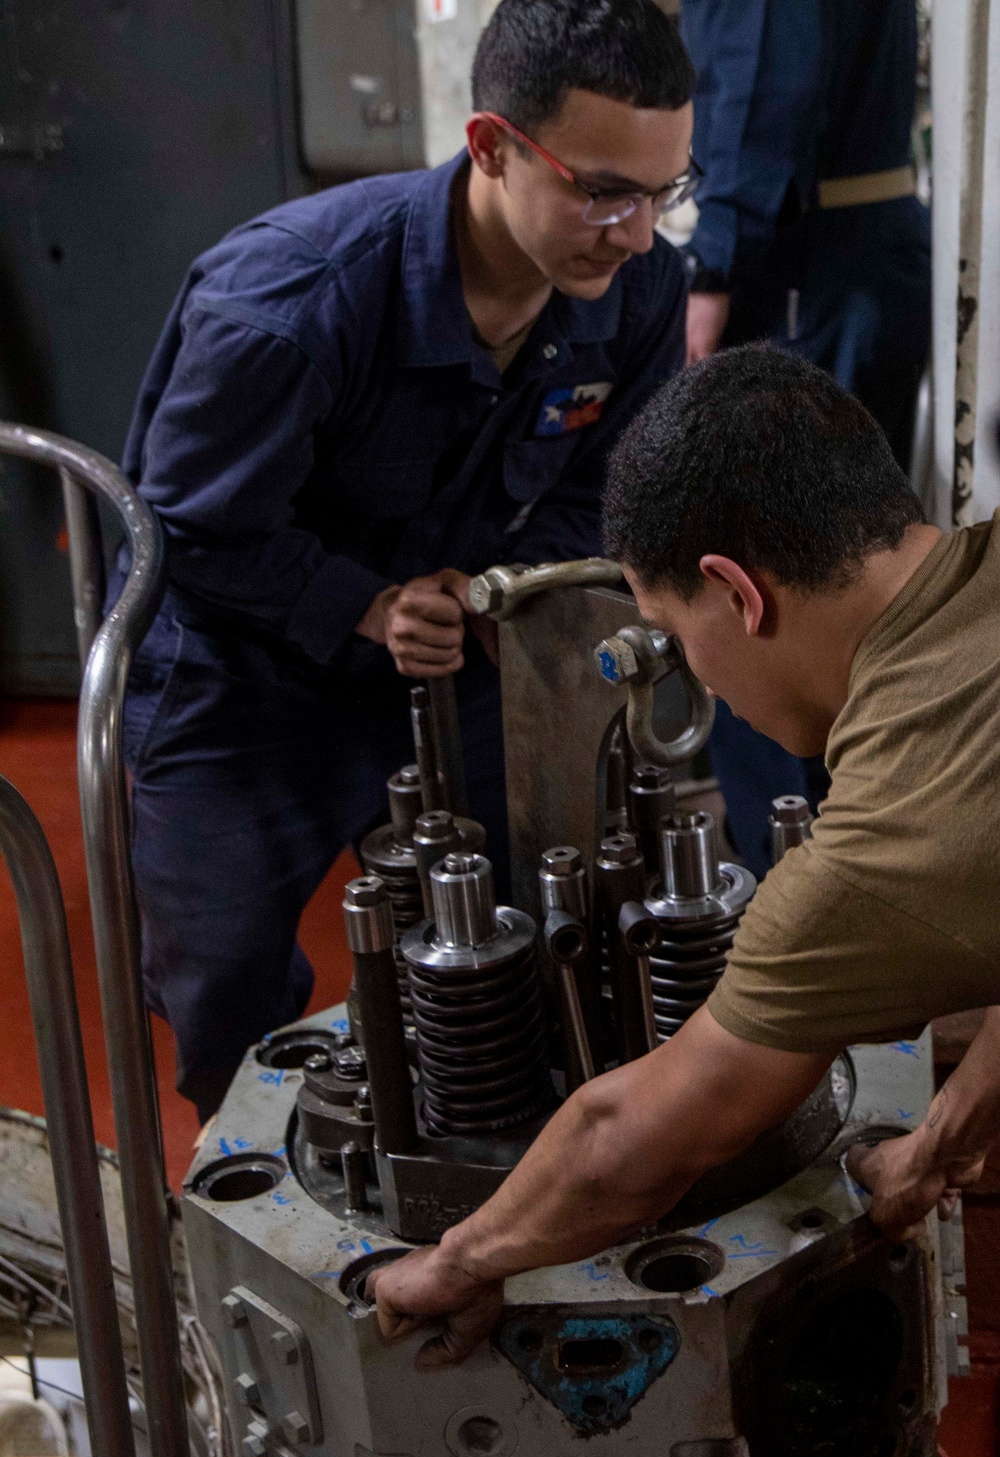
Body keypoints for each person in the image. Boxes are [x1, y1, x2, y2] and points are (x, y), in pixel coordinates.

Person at [114, 0, 698, 1122]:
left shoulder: (637, 295)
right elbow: (183, 526)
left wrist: (489, 596)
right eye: (601, 191)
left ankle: (508, 1176)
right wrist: (362, 604)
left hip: (465, 657)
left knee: (547, 922)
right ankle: (272, 1226)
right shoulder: (289, 300)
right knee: (225, 978)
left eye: (661, 191)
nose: (633, 232)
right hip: (245, 675)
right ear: (489, 146)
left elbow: (606, 496)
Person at [371, 345, 1000, 1367]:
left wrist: (462, 1258)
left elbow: (630, 1147)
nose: (695, 679)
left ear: (735, 593)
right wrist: (936, 1147)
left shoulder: (884, 848)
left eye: (669, 634)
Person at [678, 0, 932, 878]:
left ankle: (796, 878)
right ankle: (850, 858)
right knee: (844, 569)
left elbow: (757, 79)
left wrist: (714, 265)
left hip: (801, 268)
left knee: (771, 588)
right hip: (858, 253)